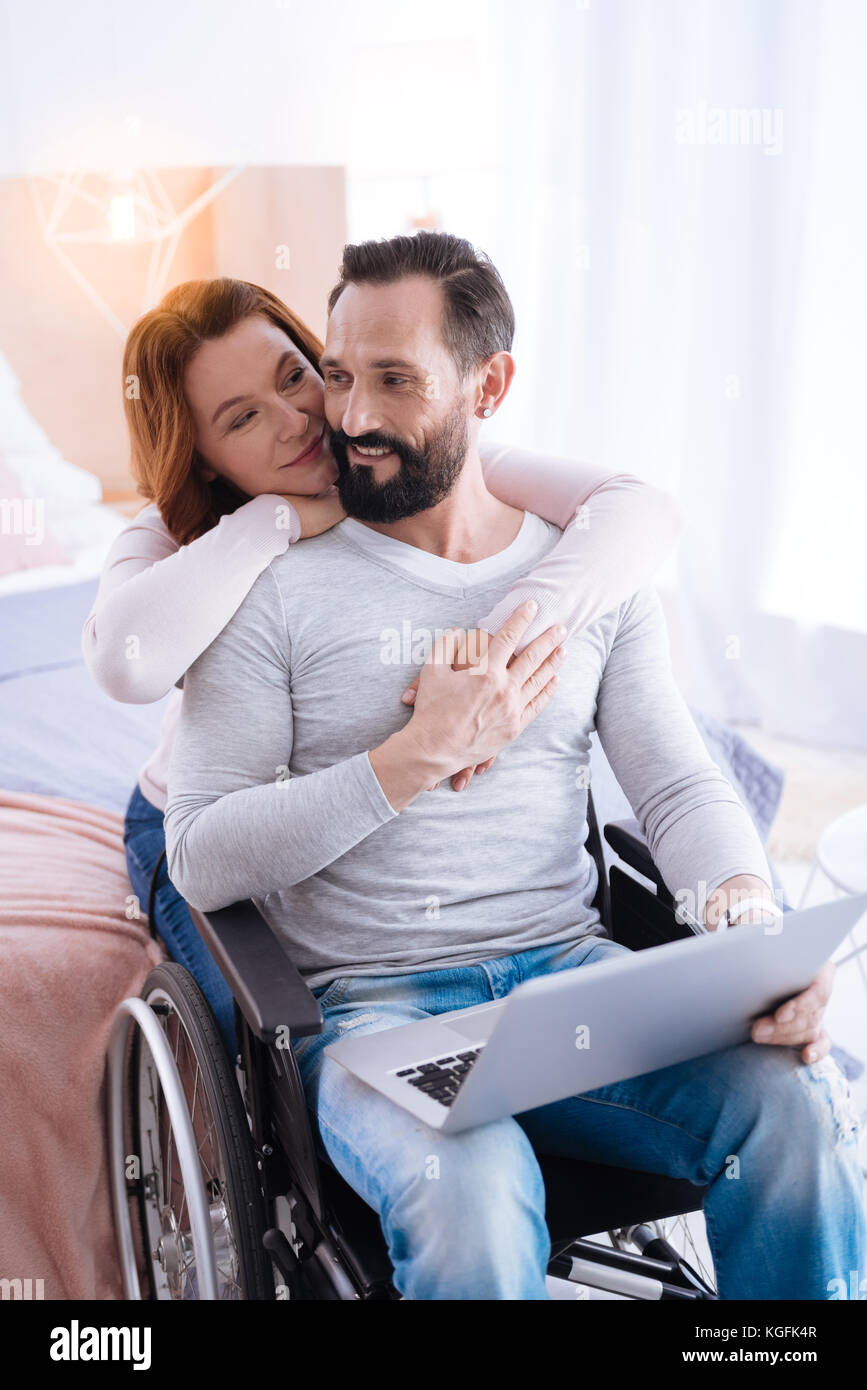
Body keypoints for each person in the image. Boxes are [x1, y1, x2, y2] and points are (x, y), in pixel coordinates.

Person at [163, 231, 864, 1300]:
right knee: (473, 1203)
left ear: (489, 385)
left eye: (395, 381)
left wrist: (747, 920)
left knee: (791, 1106)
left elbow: (674, 782)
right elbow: (203, 857)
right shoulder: (269, 588)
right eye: (341, 375)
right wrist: (412, 759)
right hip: (376, 1013)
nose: (349, 418)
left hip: (566, 980)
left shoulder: (588, 574)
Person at [82, 276, 685, 1059]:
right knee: (261, 1030)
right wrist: (272, 518)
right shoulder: (173, 532)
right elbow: (127, 668)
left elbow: (640, 509)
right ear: (202, 462)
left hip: (367, 800)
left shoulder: (403, 455)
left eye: (293, 376)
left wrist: (497, 648)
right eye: (242, 419)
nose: (295, 419)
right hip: (192, 815)